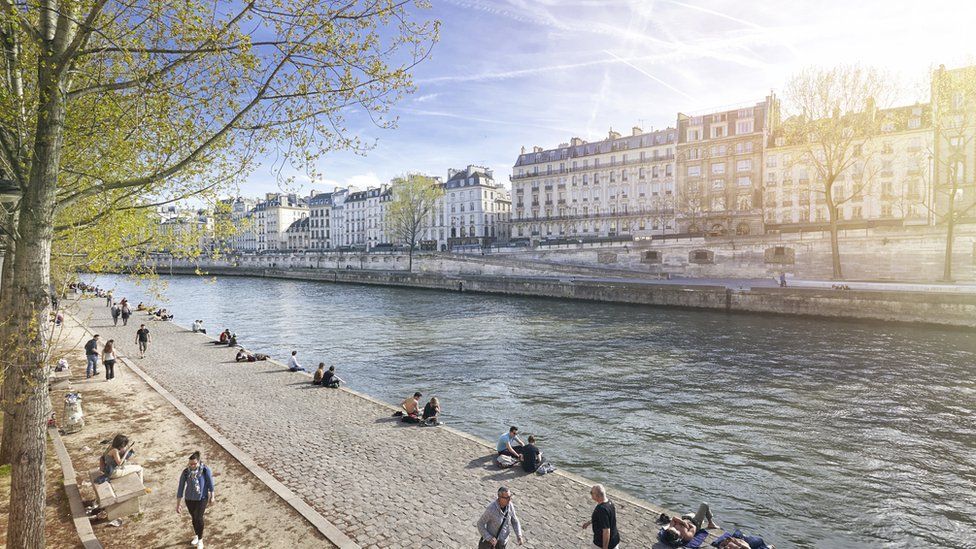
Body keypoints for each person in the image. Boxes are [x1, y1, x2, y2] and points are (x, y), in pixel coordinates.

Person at [176, 450, 215, 549]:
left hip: (202, 498)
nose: (192, 466)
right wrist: (178, 504)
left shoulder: (205, 470)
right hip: (189, 499)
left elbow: (210, 484)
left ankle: (200, 541)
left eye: (194, 464)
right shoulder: (185, 472)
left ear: (198, 461)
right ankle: (197, 536)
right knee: (194, 518)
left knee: (198, 518)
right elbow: (180, 488)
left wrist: (212, 496)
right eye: (190, 464)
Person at [581, 484, 620, 549]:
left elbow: (606, 531)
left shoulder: (602, 510)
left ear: (597, 496)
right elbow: (601, 518)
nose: (590, 494)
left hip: (602, 544)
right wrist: (589, 522)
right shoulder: (609, 502)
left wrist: (605, 547)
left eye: (591, 493)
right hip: (614, 540)